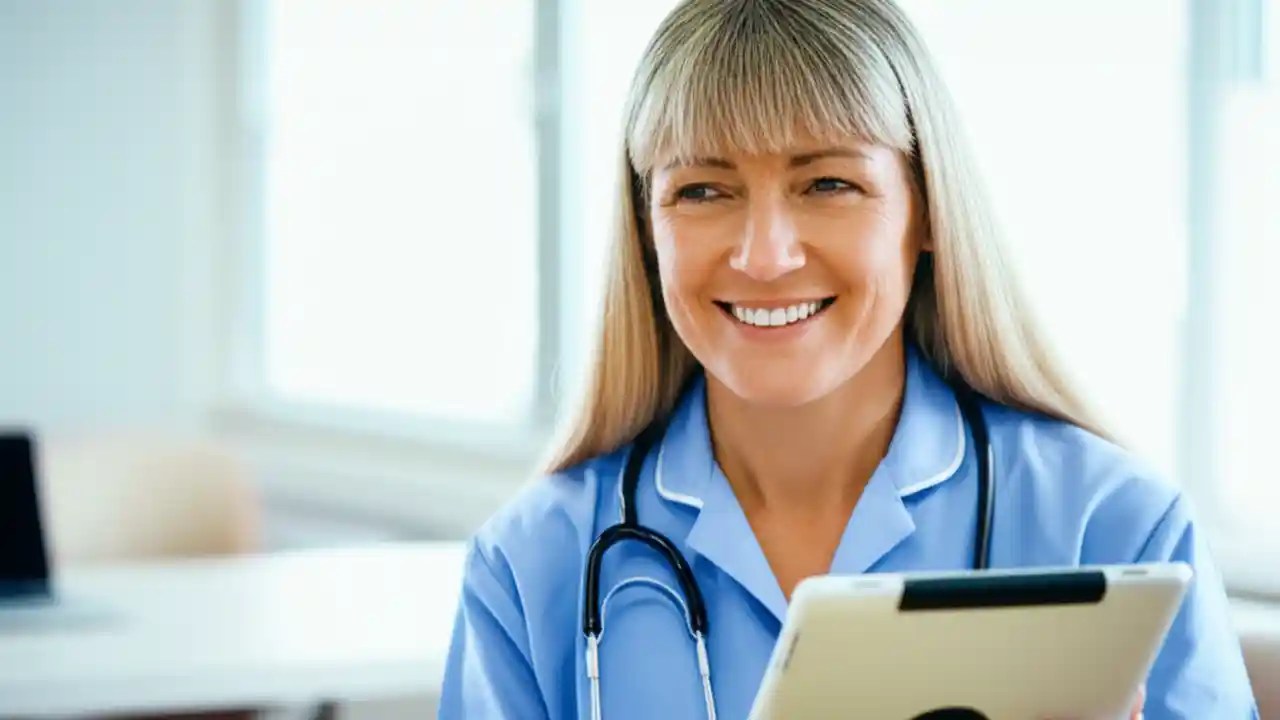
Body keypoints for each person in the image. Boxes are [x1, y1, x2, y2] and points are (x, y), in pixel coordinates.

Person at [438, 0, 1259, 717]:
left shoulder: (1118, 531)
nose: (764, 255)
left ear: (927, 209)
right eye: (702, 191)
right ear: (646, 230)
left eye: (827, 184)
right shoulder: (530, 566)